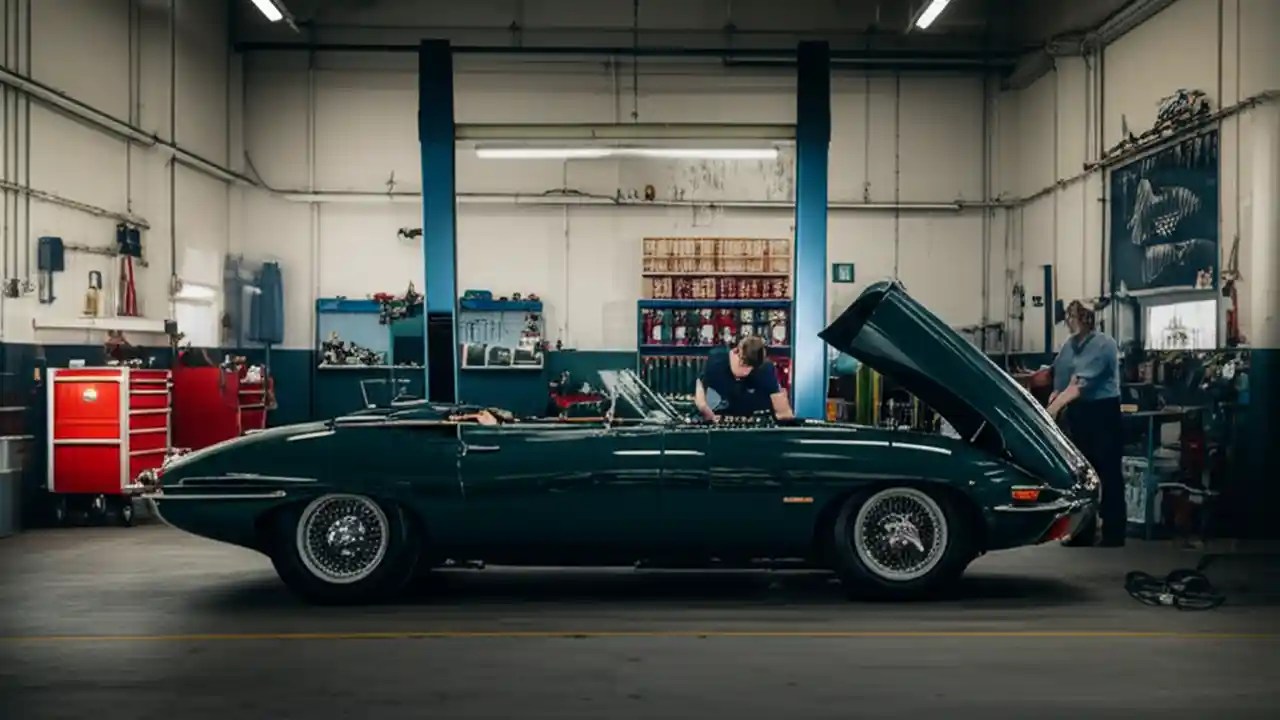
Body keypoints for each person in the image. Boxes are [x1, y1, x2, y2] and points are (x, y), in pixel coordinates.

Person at [1046, 299, 1126, 547]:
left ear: (1087, 319)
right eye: (1069, 316)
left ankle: (1114, 533)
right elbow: (1058, 380)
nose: (1070, 321)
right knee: (1081, 474)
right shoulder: (1069, 346)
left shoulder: (1103, 345)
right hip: (1079, 415)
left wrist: (1050, 412)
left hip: (1102, 413)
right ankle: (1082, 532)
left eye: (1075, 316)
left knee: (1108, 473)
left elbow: (1078, 386)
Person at [695, 336, 795, 422]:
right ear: (735, 352)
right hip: (722, 415)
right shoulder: (716, 361)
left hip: (754, 418)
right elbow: (700, 388)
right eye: (743, 364)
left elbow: (782, 411)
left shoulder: (765, 369)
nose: (745, 372)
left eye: (750, 368)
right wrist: (704, 408)